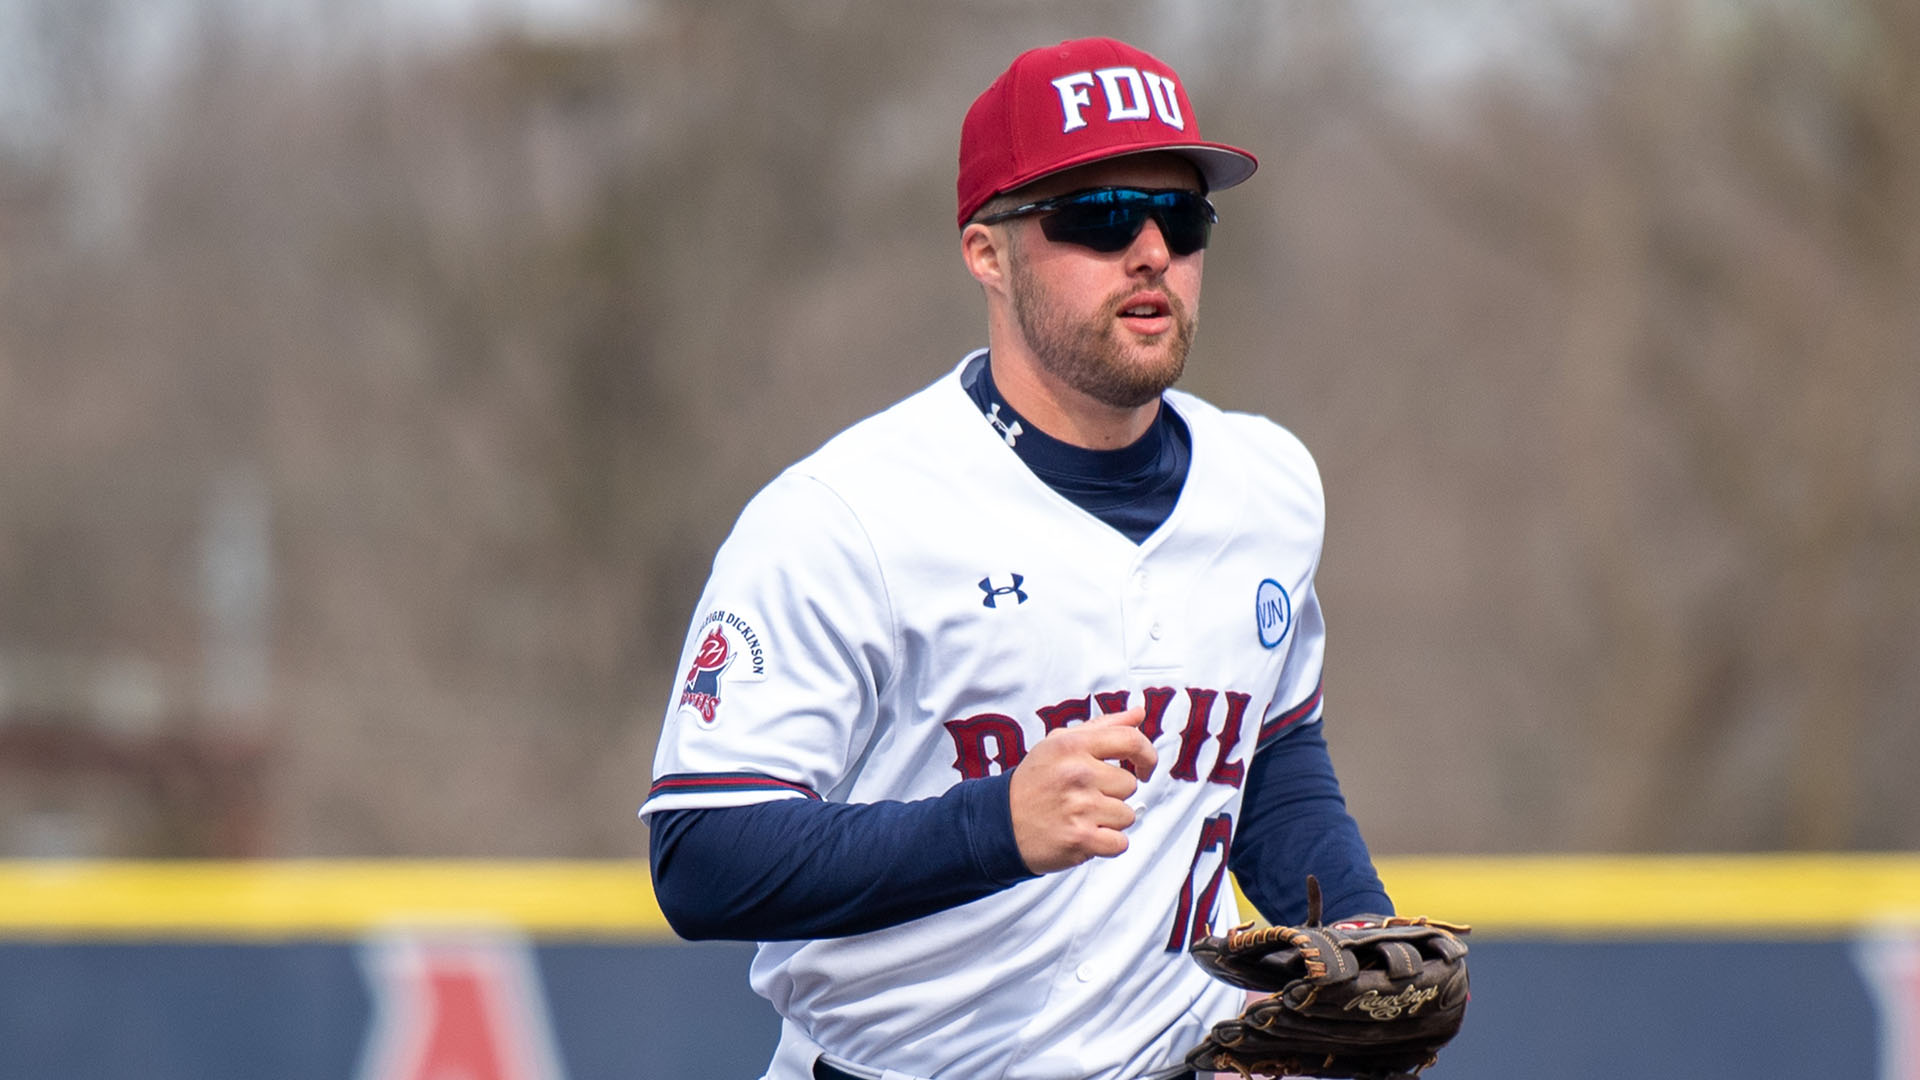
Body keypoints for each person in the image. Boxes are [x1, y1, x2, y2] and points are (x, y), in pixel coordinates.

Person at [641, 36, 1391, 1080]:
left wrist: (1356, 938)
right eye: (1096, 216)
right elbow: (701, 860)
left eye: (1180, 216)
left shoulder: (1266, 484)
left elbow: (1271, 754)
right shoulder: (846, 515)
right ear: (986, 253)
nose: (1149, 253)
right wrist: (994, 825)